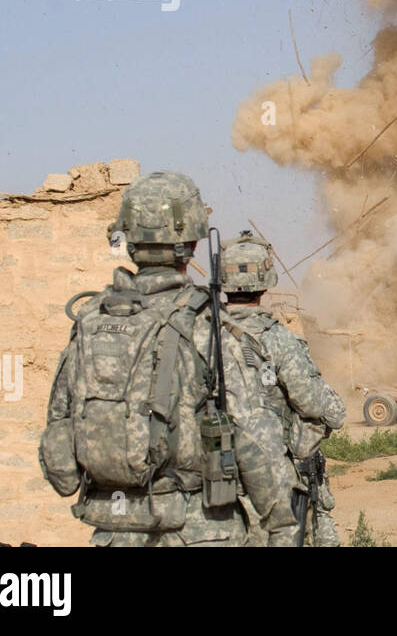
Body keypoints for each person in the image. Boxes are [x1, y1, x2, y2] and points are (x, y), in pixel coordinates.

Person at [38, 172, 295, 546]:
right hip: (199, 530)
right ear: (191, 242)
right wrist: (281, 526)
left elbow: (58, 433)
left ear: (127, 238)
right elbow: (254, 438)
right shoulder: (206, 326)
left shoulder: (91, 320)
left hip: (113, 531)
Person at [219, 230, 346, 546]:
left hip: (210, 480)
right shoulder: (280, 341)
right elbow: (319, 407)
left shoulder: (199, 335)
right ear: (265, 282)